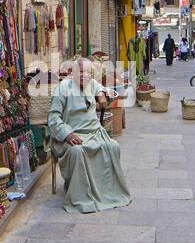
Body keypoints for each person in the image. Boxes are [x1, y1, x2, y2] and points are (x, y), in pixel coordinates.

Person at [48, 59, 132, 213]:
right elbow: (53, 118)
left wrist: (101, 95)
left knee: (112, 146)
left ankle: (106, 191)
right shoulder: (62, 88)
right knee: (77, 151)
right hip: (71, 135)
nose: (85, 76)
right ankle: (82, 196)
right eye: (81, 72)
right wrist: (67, 134)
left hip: (94, 133)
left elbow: (99, 86)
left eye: (88, 72)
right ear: (72, 73)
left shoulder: (91, 83)